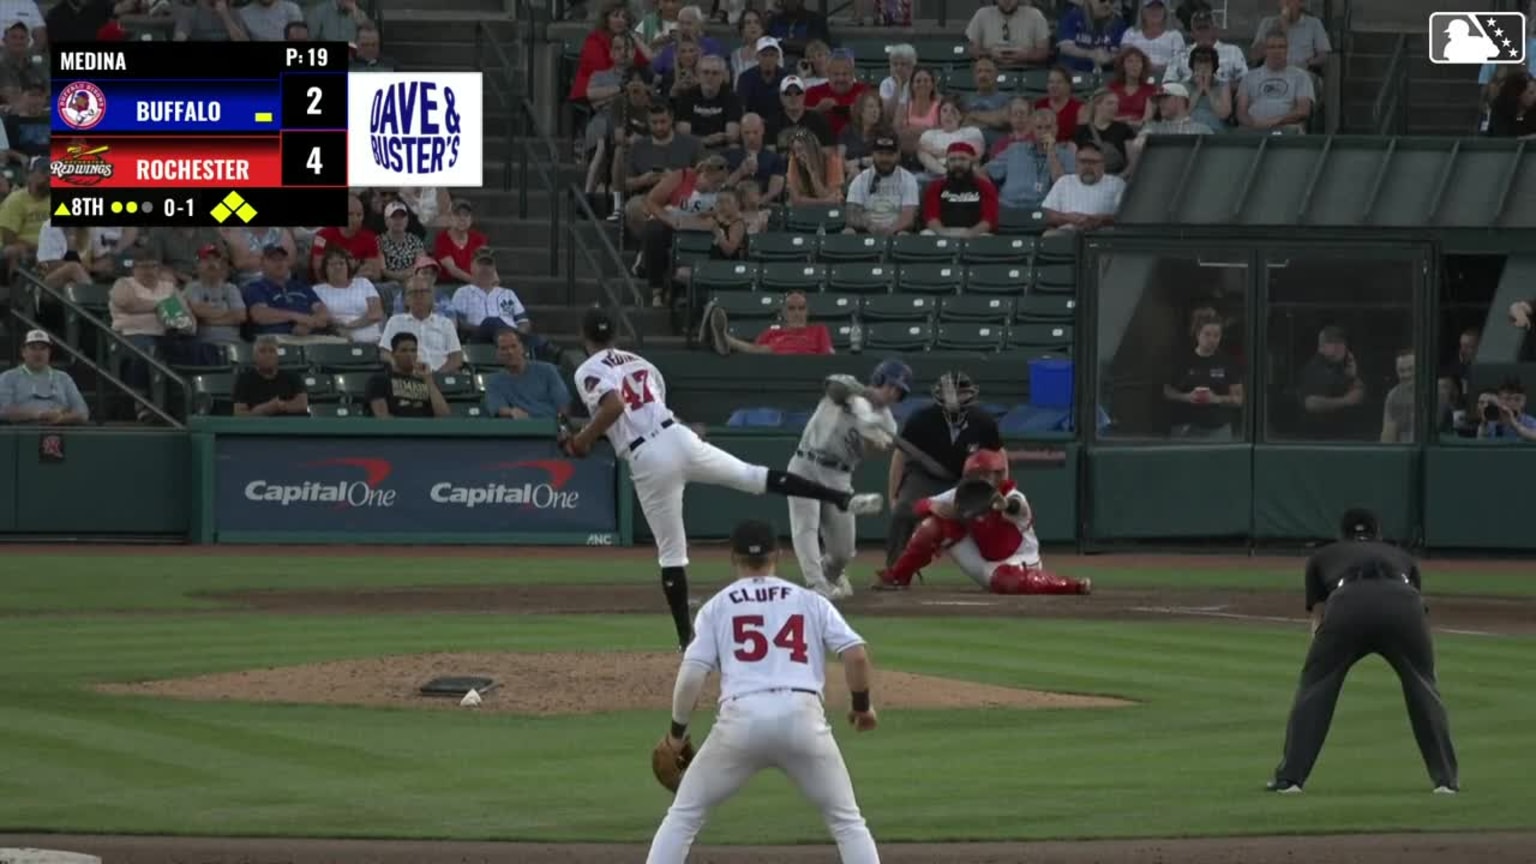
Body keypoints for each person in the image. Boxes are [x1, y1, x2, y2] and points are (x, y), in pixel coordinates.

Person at [561, 306, 884, 650]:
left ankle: (687, 641)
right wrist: (589, 433)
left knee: (672, 553)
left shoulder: (587, 369)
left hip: (649, 457)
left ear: (584, 338)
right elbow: (647, 410)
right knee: (754, 476)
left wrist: (581, 441)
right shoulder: (642, 363)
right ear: (615, 335)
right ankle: (840, 498)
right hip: (678, 436)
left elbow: (614, 408)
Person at [644, 519, 880, 864]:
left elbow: (692, 674)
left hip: (741, 723)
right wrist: (861, 707)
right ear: (778, 555)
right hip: (803, 720)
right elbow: (856, 654)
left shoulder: (718, 606)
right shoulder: (810, 601)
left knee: (683, 816)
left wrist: (677, 734)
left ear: (733, 557)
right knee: (848, 823)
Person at [1267, 509, 1459, 795]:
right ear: (1378, 534)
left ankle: (1290, 780)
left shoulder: (1323, 555)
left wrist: (1319, 660)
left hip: (1347, 603)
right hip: (1404, 605)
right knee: (1423, 688)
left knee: (1315, 687)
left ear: (1342, 535)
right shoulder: (1403, 556)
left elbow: (1319, 616)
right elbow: (1416, 605)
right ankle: (1445, 781)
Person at [875, 448, 1092, 595]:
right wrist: (933, 507)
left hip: (1017, 562)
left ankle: (1070, 585)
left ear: (998, 476)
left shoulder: (1012, 495)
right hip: (981, 558)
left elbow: (1017, 507)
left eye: (986, 475)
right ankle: (897, 577)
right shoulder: (963, 494)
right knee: (931, 526)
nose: (980, 479)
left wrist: (1002, 506)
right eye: (975, 474)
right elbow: (917, 506)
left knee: (1006, 581)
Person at [789, 360, 909, 601]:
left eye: (899, 392)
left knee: (843, 550)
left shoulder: (887, 422)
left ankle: (830, 576)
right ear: (879, 379)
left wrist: (870, 436)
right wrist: (860, 402)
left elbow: (872, 453)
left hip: (839, 475)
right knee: (806, 527)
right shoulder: (848, 389)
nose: (893, 394)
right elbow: (834, 386)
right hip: (805, 464)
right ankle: (815, 586)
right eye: (891, 386)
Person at [882, 370, 1003, 572]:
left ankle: (998, 565)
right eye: (951, 392)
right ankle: (894, 570)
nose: (955, 398)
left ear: (971, 393)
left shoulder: (983, 421)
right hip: (925, 475)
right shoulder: (921, 418)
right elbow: (900, 456)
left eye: (962, 392)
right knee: (902, 512)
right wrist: (893, 496)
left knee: (990, 513)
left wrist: (1000, 487)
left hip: (966, 478)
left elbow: (999, 455)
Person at [0, 330, 89, 425]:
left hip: (60, 431)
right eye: (33, 348)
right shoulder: (8, 377)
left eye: (43, 348)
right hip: (22, 432)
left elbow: (82, 413)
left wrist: (60, 418)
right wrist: (39, 415)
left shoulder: (64, 378)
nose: (38, 353)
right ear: (23, 352)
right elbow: (4, 411)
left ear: (49, 352)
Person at [482, 329, 571, 419]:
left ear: (522, 348)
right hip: (519, 428)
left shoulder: (547, 370)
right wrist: (511, 411)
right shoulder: (494, 381)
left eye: (514, 346)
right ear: (497, 353)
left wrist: (561, 424)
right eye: (504, 348)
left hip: (551, 424)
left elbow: (562, 402)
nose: (510, 352)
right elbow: (498, 407)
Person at [368, 332, 451, 418]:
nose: (409, 355)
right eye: (404, 350)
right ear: (393, 354)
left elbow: (444, 416)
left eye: (413, 350)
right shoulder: (379, 380)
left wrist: (428, 379)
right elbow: (382, 416)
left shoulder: (427, 381)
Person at [232, 336, 311, 417]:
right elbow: (239, 413)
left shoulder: (292, 376)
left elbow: (302, 404)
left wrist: (280, 406)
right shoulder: (244, 379)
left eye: (272, 351)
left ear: (277, 356)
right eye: (262, 351)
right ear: (254, 356)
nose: (268, 355)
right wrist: (264, 409)